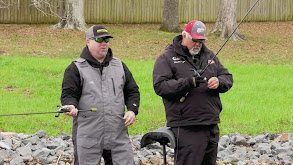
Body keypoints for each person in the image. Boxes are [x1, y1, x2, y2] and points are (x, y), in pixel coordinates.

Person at [153, 20, 233, 165]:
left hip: (211, 124)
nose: (198, 44)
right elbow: (160, 86)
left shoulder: (210, 56)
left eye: (201, 41)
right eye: (194, 40)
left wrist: (219, 82)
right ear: (184, 35)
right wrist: (188, 83)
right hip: (186, 126)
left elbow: (227, 77)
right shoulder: (167, 58)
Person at [61, 25, 140, 165]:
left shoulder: (120, 66)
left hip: (118, 136)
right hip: (88, 137)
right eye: (99, 39)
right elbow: (68, 94)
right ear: (88, 41)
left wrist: (132, 110)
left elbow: (132, 91)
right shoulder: (75, 68)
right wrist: (70, 106)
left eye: (107, 40)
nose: (104, 43)